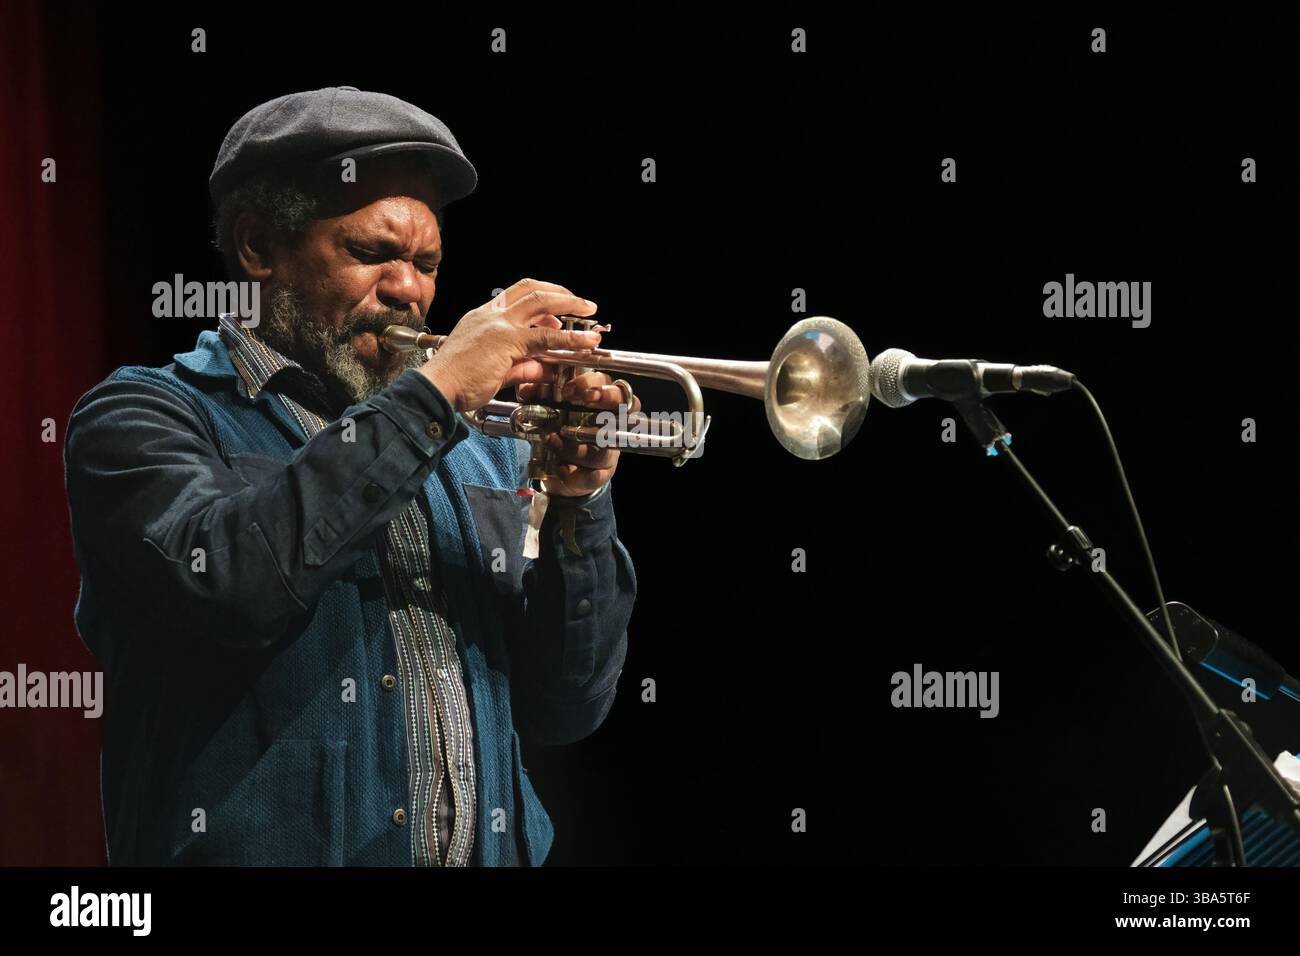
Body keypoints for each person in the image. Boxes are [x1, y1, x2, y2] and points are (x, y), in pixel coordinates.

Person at [63, 87, 638, 866]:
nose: (410, 289)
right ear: (260, 247)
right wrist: (433, 398)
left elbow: (564, 706)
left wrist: (579, 501)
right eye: (374, 254)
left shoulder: (479, 449)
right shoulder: (143, 418)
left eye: (427, 263)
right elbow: (235, 583)